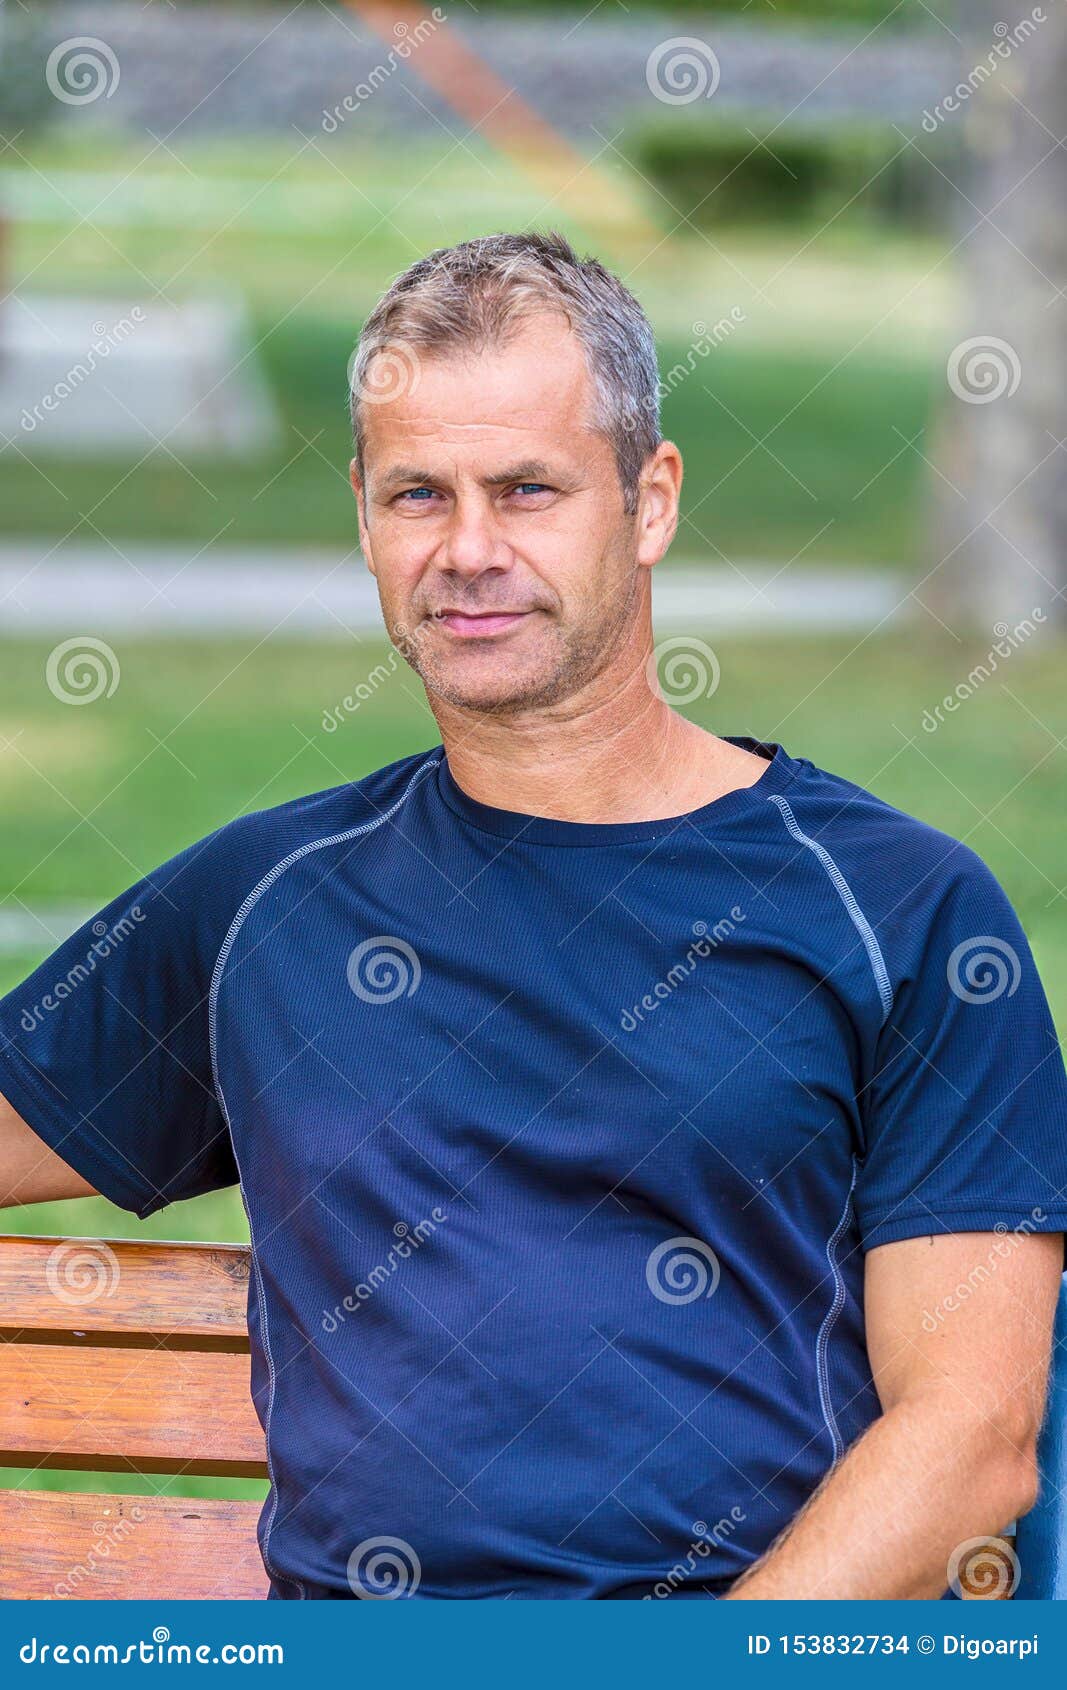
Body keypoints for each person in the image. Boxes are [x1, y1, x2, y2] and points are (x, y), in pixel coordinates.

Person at [1, 232, 1065, 1601]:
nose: (469, 551)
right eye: (418, 495)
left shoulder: (897, 910)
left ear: (649, 500)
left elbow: (974, 1437)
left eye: (527, 490)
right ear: (365, 518)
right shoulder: (265, 900)